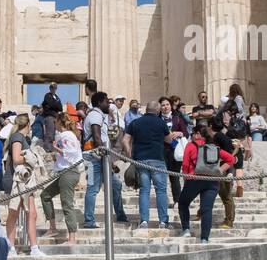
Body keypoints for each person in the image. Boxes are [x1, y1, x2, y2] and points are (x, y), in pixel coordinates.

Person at [177, 124, 235, 242]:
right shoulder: (215, 148)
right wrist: (220, 170)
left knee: (183, 203)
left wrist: (186, 178)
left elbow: (185, 164)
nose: (192, 136)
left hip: (194, 180)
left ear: (198, 134)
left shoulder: (190, 145)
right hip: (212, 182)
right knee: (206, 209)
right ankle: (204, 238)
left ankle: (186, 229)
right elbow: (231, 159)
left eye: (193, 133)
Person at [82, 92, 129, 227]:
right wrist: (108, 160)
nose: (109, 104)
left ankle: (120, 215)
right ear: (99, 103)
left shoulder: (100, 116)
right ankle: (89, 221)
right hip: (94, 157)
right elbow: (97, 138)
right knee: (92, 188)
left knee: (116, 185)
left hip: (101, 157)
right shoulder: (95, 115)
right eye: (106, 102)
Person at [40, 113, 83, 244]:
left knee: (66, 203)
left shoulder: (68, 135)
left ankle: (72, 238)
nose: (54, 125)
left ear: (59, 122)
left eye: (55, 122)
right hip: (63, 172)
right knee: (45, 195)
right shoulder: (64, 135)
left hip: (69, 172)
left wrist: (56, 148)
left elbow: (71, 153)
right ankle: (52, 227)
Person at [128, 100, 171, 229]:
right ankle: (163, 221)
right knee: (161, 191)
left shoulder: (135, 122)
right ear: (158, 110)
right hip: (157, 159)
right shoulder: (161, 123)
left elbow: (125, 139)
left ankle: (144, 221)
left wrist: (130, 155)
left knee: (144, 191)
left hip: (140, 160)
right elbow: (168, 140)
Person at [4, 114, 42, 256]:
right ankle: (11, 247)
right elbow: (16, 158)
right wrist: (31, 157)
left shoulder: (21, 138)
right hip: (16, 180)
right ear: (28, 125)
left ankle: (34, 248)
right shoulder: (18, 137)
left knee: (31, 213)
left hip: (25, 181)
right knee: (14, 213)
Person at [210, 115, 239, 228]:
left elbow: (228, 157)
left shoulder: (218, 137)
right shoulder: (221, 136)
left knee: (226, 196)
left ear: (210, 125)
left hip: (224, 169)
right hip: (221, 169)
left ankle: (229, 220)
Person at [162, 97, 189, 206]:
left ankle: (177, 199)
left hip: (175, 150)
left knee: (175, 176)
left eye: (167, 104)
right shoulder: (157, 118)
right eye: (163, 105)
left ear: (170, 106)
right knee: (161, 177)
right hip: (162, 150)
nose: (165, 107)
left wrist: (178, 133)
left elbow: (186, 133)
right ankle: (163, 200)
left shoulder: (177, 118)